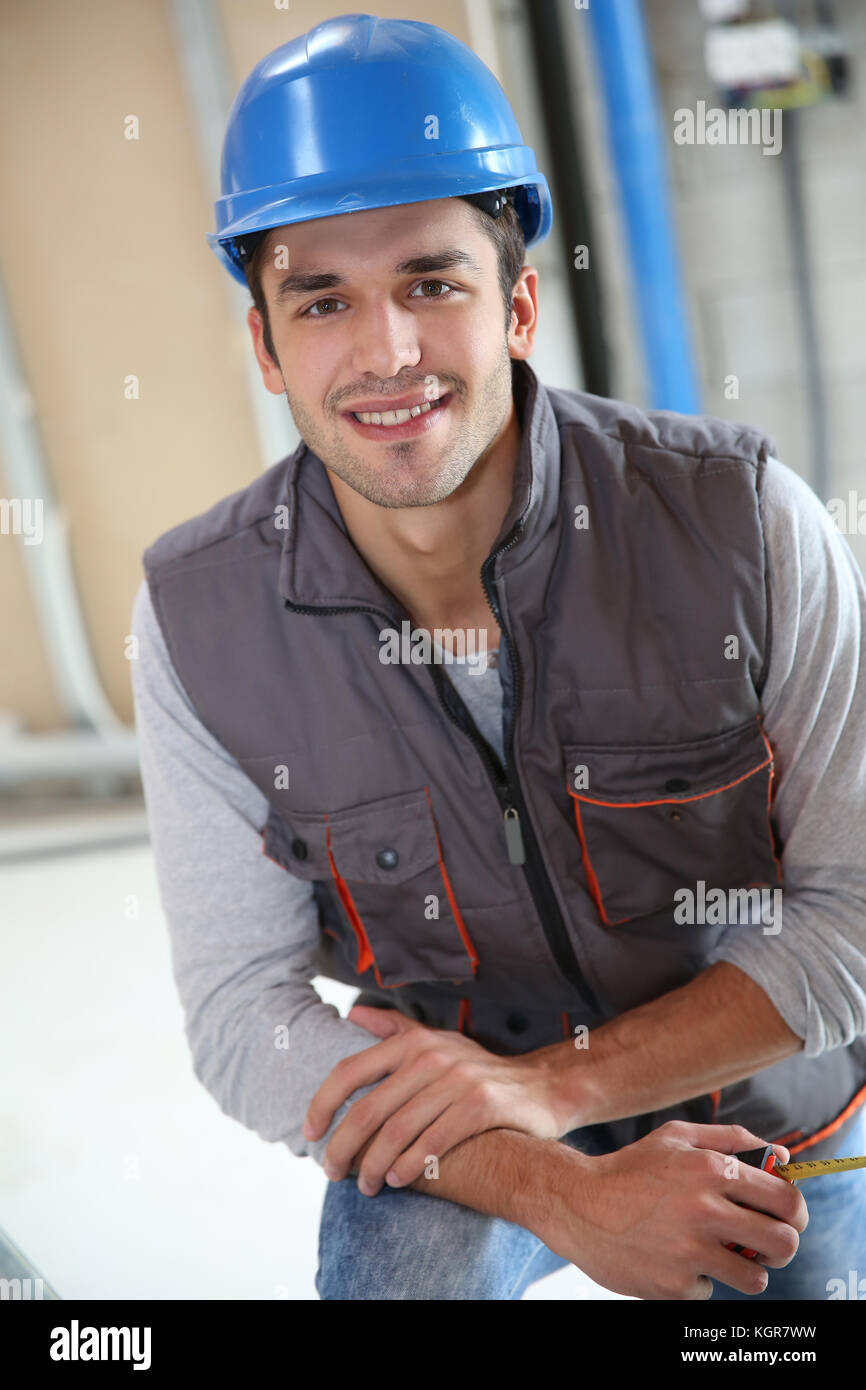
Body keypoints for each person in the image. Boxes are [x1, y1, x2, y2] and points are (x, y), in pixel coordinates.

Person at [130, 13, 866, 1300]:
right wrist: (545, 1169)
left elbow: (856, 912)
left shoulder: (741, 524)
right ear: (264, 346)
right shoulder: (202, 618)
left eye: (431, 282)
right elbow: (241, 1011)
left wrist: (557, 1084)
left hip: (775, 1105)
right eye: (321, 301)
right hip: (457, 1134)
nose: (387, 353)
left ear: (517, 302)